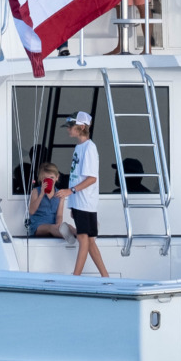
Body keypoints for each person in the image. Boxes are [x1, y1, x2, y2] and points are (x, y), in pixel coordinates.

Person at [62, 112, 110, 277]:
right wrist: (73, 201)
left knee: (83, 238)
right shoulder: (79, 147)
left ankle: (76, 276)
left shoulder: (89, 148)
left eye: (71, 126)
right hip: (80, 201)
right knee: (89, 241)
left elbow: (91, 178)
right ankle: (105, 276)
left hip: (85, 201)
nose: (68, 129)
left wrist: (71, 191)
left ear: (81, 127)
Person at [26, 162, 69, 238]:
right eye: (46, 178)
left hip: (54, 226)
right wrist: (42, 194)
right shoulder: (36, 191)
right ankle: (67, 236)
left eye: (52, 177)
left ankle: (85, 235)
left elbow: (59, 215)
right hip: (38, 226)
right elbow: (31, 211)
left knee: (68, 226)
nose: (49, 180)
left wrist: (58, 226)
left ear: (57, 177)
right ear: (41, 179)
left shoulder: (59, 193)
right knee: (51, 228)